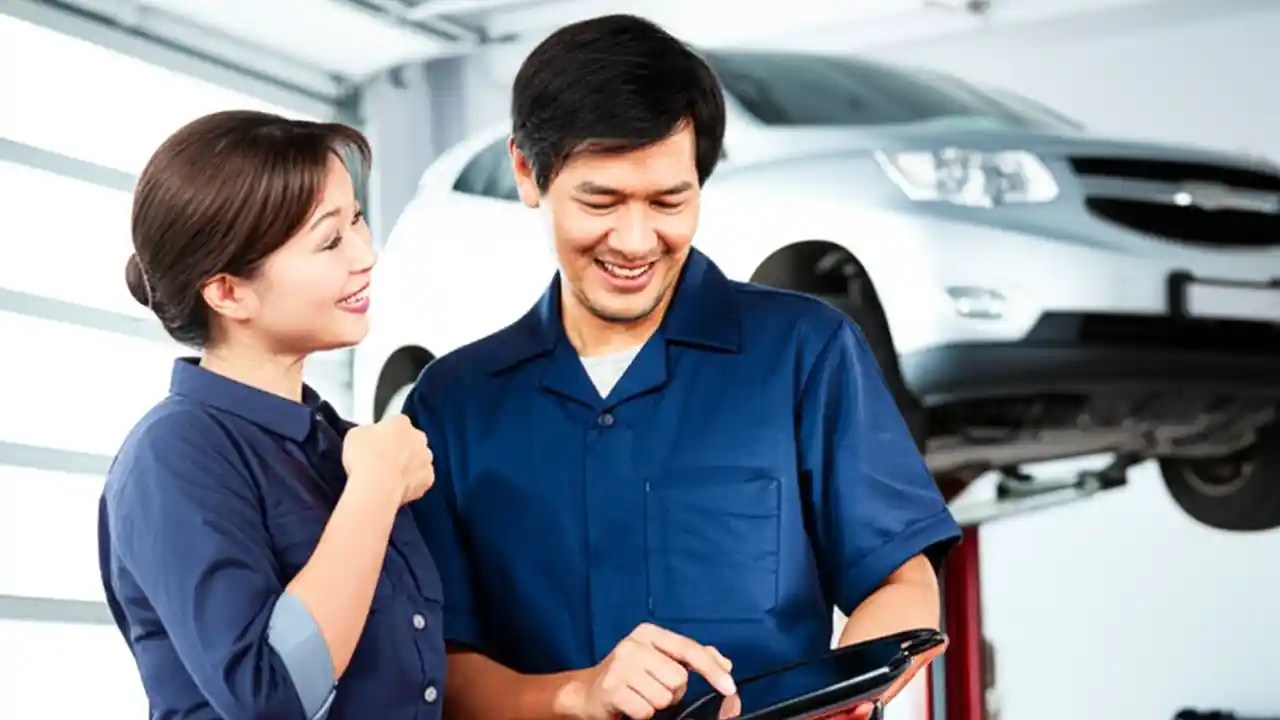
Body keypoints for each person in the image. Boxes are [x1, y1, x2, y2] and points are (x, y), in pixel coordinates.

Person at [401, 13, 964, 720]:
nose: (636, 242)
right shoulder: (452, 407)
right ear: (527, 172)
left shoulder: (805, 353)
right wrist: (580, 694)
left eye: (669, 201)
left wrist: (848, 695)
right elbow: (443, 673)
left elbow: (901, 580)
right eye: (599, 201)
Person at [97, 110, 446, 719]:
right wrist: (375, 489)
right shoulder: (174, 453)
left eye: (357, 220)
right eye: (330, 239)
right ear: (228, 291)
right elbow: (271, 694)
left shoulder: (340, 445)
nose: (365, 254)